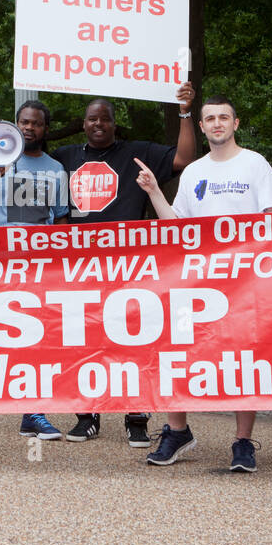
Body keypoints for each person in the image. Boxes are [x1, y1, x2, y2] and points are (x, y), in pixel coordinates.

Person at [134, 95, 272, 471]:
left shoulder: (255, 164)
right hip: (198, 281)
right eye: (210, 119)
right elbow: (177, 226)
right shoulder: (194, 171)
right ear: (200, 127)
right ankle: (177, 431)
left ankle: (244, 442)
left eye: (224, 117)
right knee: (177, 348)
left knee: (244, 357)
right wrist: (154, 191)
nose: (217, 123)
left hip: (245, 280)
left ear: (235, 123)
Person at [52, 82, 197, 445]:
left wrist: (183, 111)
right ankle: (87, 414)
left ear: (115, 124)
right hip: (81, 268)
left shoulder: (137, 152)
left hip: (132, 266)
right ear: (82, 124)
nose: (98, 124)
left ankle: (136, 416)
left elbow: (184, 159)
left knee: (133, 340)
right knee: (85, 340)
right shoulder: (65, 157)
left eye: (105, 119)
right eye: (91, 119)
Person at [0, 99, 70, 447]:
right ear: (15, 124)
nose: (28, 128)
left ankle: (32, 413)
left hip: (36, 270)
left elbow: (62, 223)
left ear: (45, 129)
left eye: (36, 123)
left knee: (34, 343)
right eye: (23, 121)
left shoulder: (56, 170)